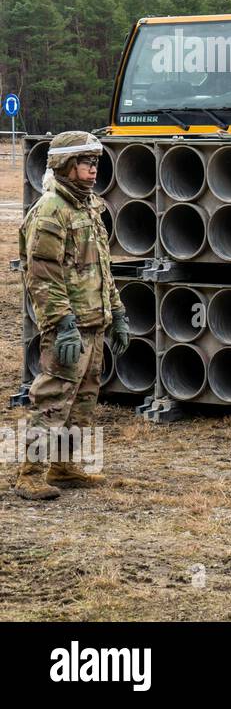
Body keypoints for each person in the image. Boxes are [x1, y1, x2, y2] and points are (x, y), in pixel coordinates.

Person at [15, 131, 128, 500]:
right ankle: (30, 474)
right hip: (69, 327)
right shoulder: (51, 210)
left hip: (93, 323)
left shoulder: (89, 206)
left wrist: (117, 311)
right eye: (86, 162)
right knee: (53, 398)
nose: (93, 169)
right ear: (65, 166)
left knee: (83, 400)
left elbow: (101, 267)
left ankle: (63, 466)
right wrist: (62, 324)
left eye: (95, 162)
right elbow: (42, 275)